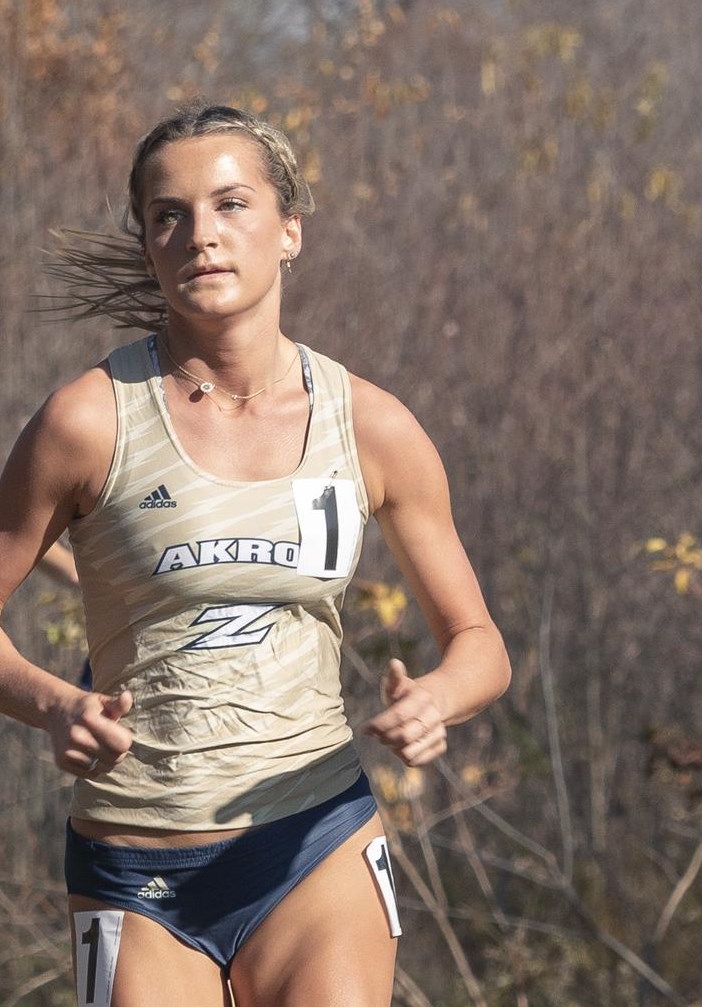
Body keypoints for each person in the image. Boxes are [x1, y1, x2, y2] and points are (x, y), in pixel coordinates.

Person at [0, 104, 511, 1006]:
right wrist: (51, 704)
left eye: (232, 204)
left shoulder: (373, 425)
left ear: (290, 230)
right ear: (150, 244)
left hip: (315, 838)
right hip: (135, 859)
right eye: (170, 215)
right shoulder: (87, 421)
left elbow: (479, 639)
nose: (201, 234)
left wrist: (438, 696)